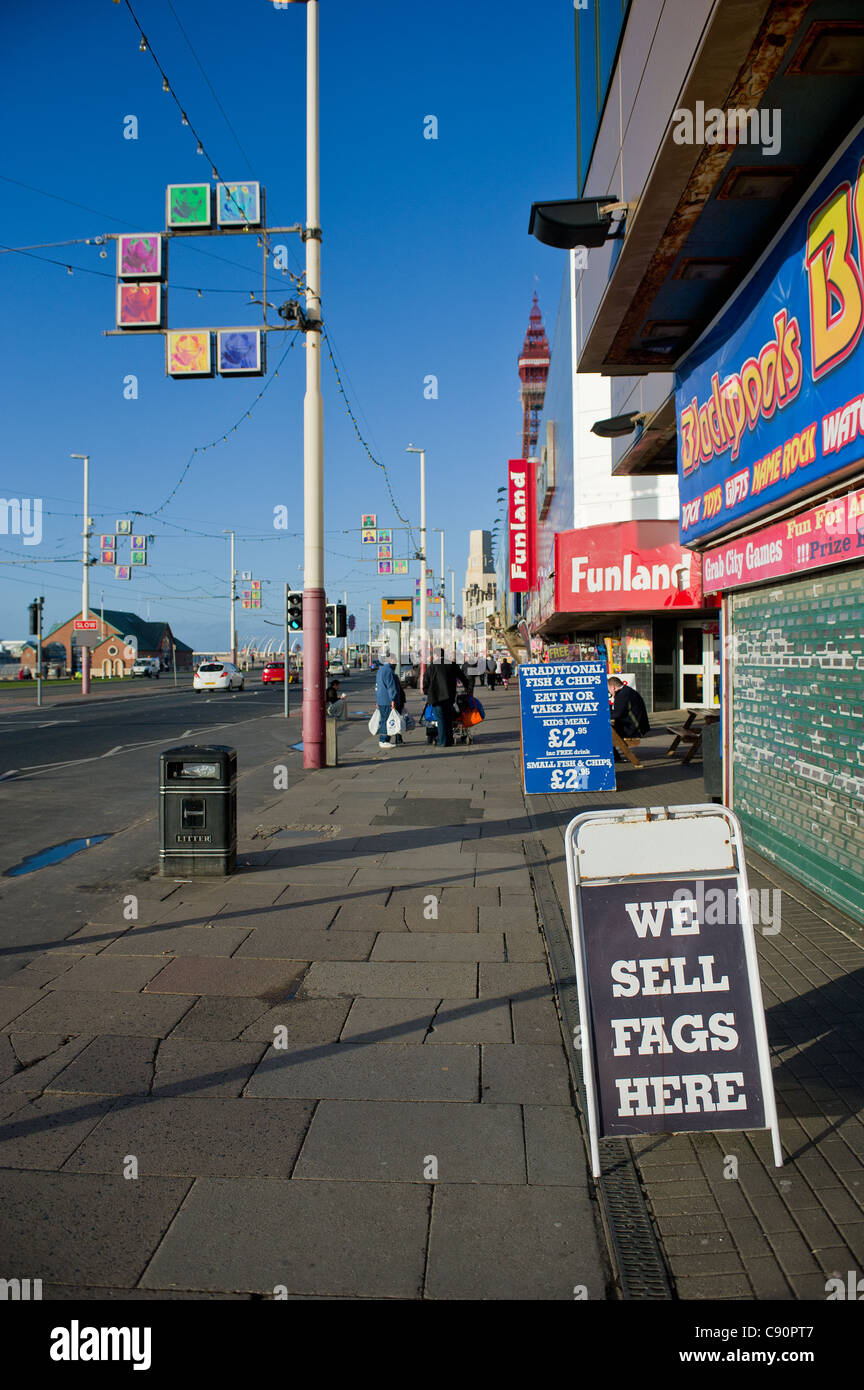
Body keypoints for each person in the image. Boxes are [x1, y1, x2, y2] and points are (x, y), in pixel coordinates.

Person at [422, 649, 470, 747]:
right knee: (448, 718)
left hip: (436, 697)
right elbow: (463, 677)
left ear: (435, 655)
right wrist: (467, 687)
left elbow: (426, 680)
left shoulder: (432, 666)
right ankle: (449, 740)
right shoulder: (451, 664)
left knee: (440, 719)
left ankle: (442, 741)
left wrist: (427, 691)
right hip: (449, 696)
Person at [375, 659, 399, 750]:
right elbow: (391, 686)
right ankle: (384, 740)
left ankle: (384, 740)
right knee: (387, 720)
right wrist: (393, 699)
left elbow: (378, 686)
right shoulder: (388, 671)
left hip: (381, 699)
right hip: (386, 700)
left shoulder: (380, 670)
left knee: (384, 719)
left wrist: (377, 700)